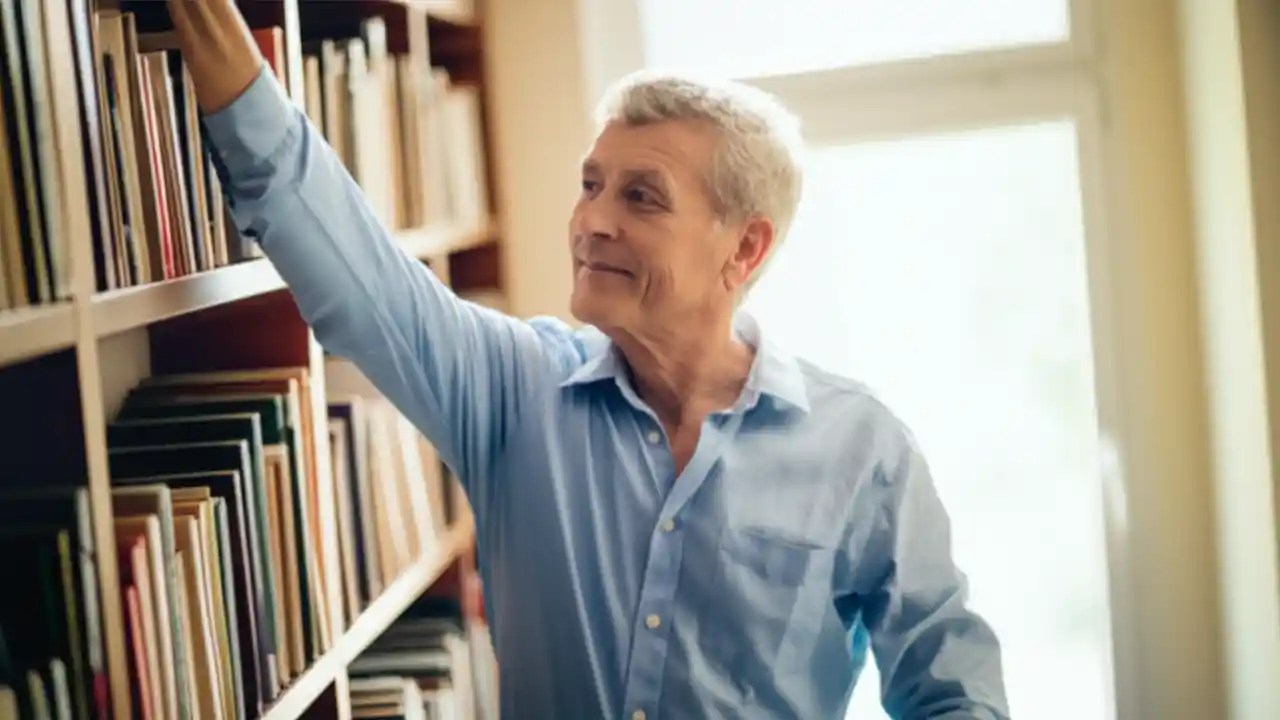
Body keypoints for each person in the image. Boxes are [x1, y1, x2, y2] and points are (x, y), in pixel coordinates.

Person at [169, 1, 1009, 717]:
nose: (591, 222)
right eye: (590, 183)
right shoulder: (511, 389)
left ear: (744, 249)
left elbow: (952, 690)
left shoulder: (862, 451)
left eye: (640, 196)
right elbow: (346, 260)